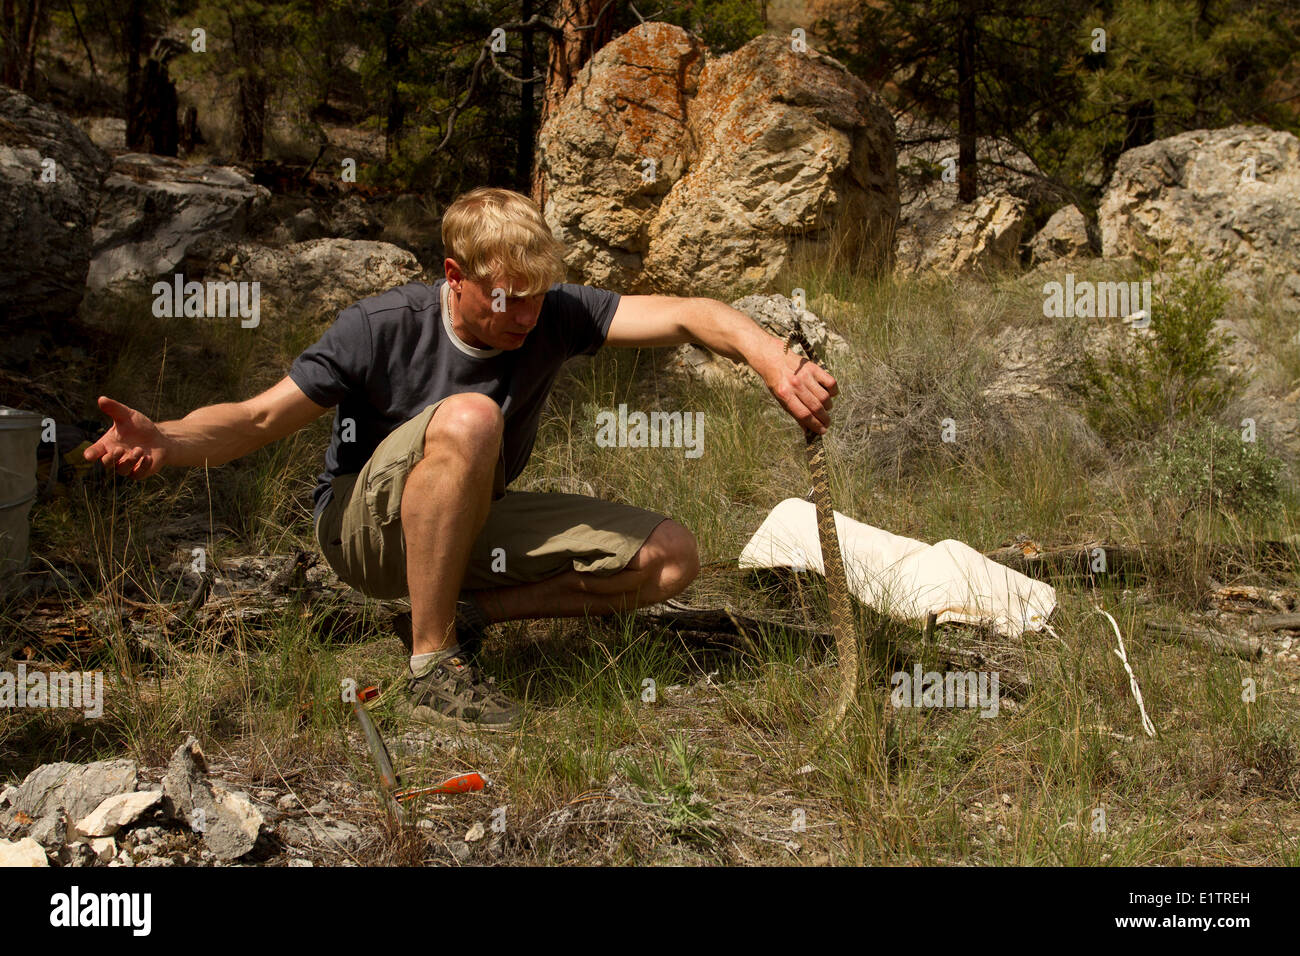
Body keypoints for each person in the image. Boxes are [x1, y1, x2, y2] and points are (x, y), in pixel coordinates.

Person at [85, 187, 837, 731]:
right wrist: (169, 439)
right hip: (363, 531)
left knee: (672, 559)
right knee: (473, 418)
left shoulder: (552, 314)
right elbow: (255, 418)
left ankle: (468, 613)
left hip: (470, 519)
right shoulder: (379, 328)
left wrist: (773, 361)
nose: (523, 317)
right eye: (503, 298)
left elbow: (686, 312)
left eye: (536, 298)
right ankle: (431, 663)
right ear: (454, 276)